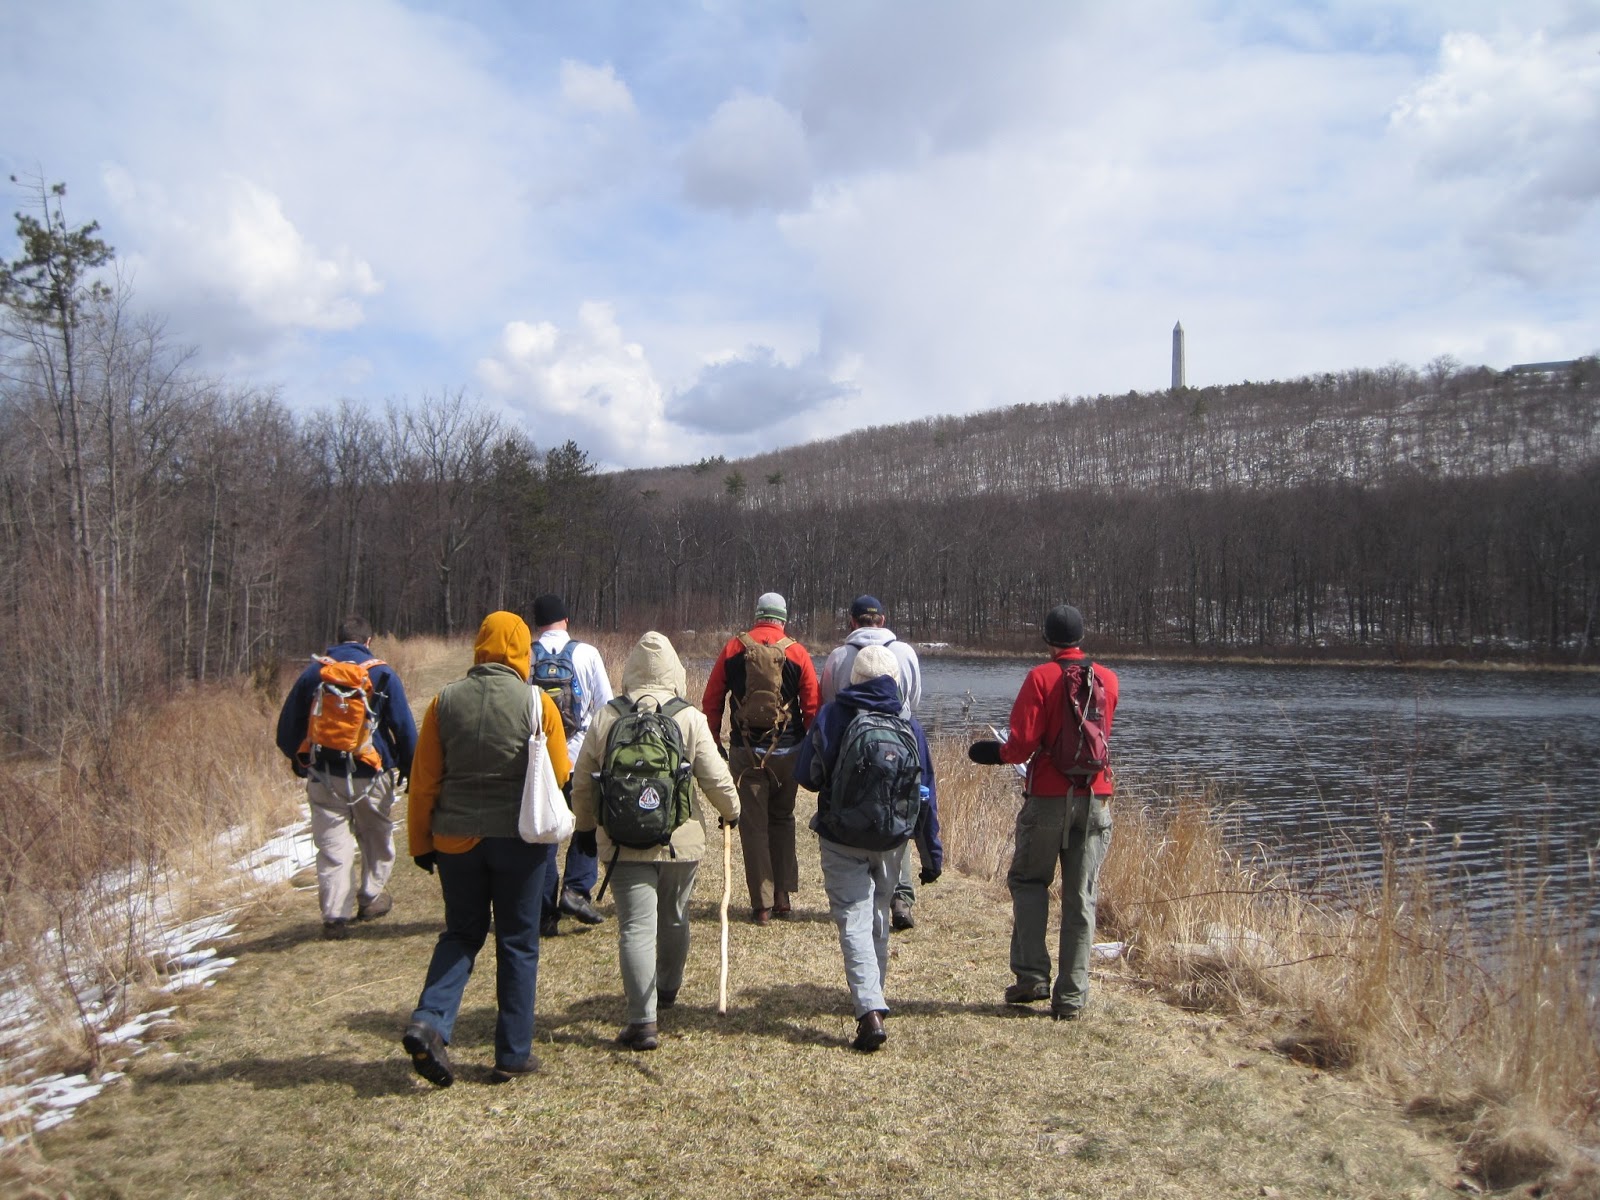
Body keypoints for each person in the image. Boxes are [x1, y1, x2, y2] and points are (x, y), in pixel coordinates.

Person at [401, 610, 572, 1086]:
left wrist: (420, 843)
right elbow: (558, 775)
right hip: (520, 840)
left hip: (455, 842)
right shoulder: (539, 704)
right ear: (522, 651)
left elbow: (423, 782)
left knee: (461, 934)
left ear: (479, 645)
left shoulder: (444, 702)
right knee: (518, 942)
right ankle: (512, 1054)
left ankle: (430, 1021)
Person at [571, 632, 740, 1051]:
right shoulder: (688, 717)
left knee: (635, 928)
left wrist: (586, 829)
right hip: (680, 840)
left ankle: (642, 1021)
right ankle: (667, 989)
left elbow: (582, 781)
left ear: (629, 669)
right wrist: (732, 811)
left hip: (623, 842)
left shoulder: (608, 716)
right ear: (675, 670)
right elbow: (715, 776)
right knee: (676, 916)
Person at [967, 604, 1119, 1022]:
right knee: (1081, 898)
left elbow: (1021, 746)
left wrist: (993, 753)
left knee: (1030, 881)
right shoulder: (1107, 678)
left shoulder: (1041, 677)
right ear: (1081, 636)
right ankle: (1071, 997)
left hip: (1049, 796)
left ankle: (1032, 977)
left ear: (1047, 638)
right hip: (1096, 796)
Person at [797, 645, 940, 1052]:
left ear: (853, 678)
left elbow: (807, 776)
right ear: (895, 681)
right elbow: (926, 796)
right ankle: (874, 994)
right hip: (893, 840)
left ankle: (869, 1009)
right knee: (878, 915)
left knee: (854, 919)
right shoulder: (910, 724)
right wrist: (932, 856)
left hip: (842, 835)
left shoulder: (832, 715)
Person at [275, 616, 417, 940]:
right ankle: (371, 898)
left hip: (324, 774)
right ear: (368, 641)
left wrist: (300, 761)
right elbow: (405, 729)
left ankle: (335, 915)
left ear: (337, 640)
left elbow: (286, 730)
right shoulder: (382, 674)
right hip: (371, 772)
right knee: (376, 837)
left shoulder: (314, 673)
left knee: (332, 847)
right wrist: (410, 768)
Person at [817, 594, 936, 931]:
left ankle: (861, 893)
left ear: (852, 622)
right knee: (901, 811)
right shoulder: (907, 653)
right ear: (882, 620)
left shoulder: (840, 656)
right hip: (901, 748)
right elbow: (914, 700)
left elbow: (829, 701)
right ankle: (901, 896)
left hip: (850, 755)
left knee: (854, 817)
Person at [701, 592, 820, 924]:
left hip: (745, 752)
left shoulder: (733, 649)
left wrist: (713, 741)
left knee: (753, 827)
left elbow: (711, 699)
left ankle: (762, 906)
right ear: (782, 619)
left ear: (757, 616)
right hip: (788, 753)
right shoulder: (797, 652)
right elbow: (812, 709)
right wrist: (809, 750)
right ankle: (782, 896)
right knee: (782, 819)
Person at [529, 592, 615, 936]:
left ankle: (544, 911)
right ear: (566, 619)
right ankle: (577, 890)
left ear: (538, 622)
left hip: (540, 758)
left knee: (543, 833)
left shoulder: (527, 655)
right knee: (586, 823)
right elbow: (605, 706)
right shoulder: (587, 653)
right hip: (579, 756)